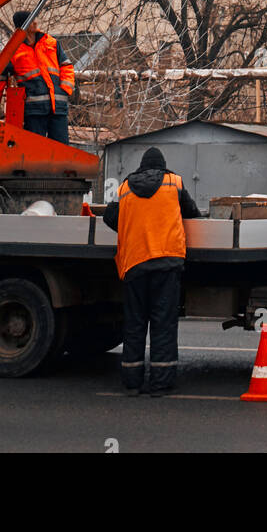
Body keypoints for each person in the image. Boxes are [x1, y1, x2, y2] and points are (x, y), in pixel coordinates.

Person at [102, 146, 201, 397]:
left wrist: (131, 226)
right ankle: (160, 383)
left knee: (135, 324)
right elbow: (193, 214)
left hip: (134, 263)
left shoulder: (125, 188)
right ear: (163, 166)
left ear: (141, 167)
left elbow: (109, 217)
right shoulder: (173, 183)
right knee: (163, 324)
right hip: (167, 263)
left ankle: (132, 383)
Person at [0, 11, 75, 144]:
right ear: (24, 25)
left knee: (62, 152)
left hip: (58, 108)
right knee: (34, 151)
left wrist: (65, 88)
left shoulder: (51, 42)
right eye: (32, 20)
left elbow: (66, 65)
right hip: (34, 111)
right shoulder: (13, 51)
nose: (36, 22)